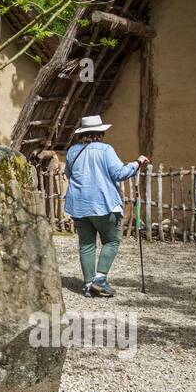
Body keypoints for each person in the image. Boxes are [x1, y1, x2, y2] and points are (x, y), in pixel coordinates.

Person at [64, 114, 149, 297]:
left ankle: (88, 286)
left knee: (86, 245)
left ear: (82, 134)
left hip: (78, 205)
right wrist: (137, 162)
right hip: (103, 204)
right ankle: (99, 280)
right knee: (112, 241)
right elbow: (119, 173)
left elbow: (68, 174)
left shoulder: (72, 151)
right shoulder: (105, 150)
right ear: (100, 132)